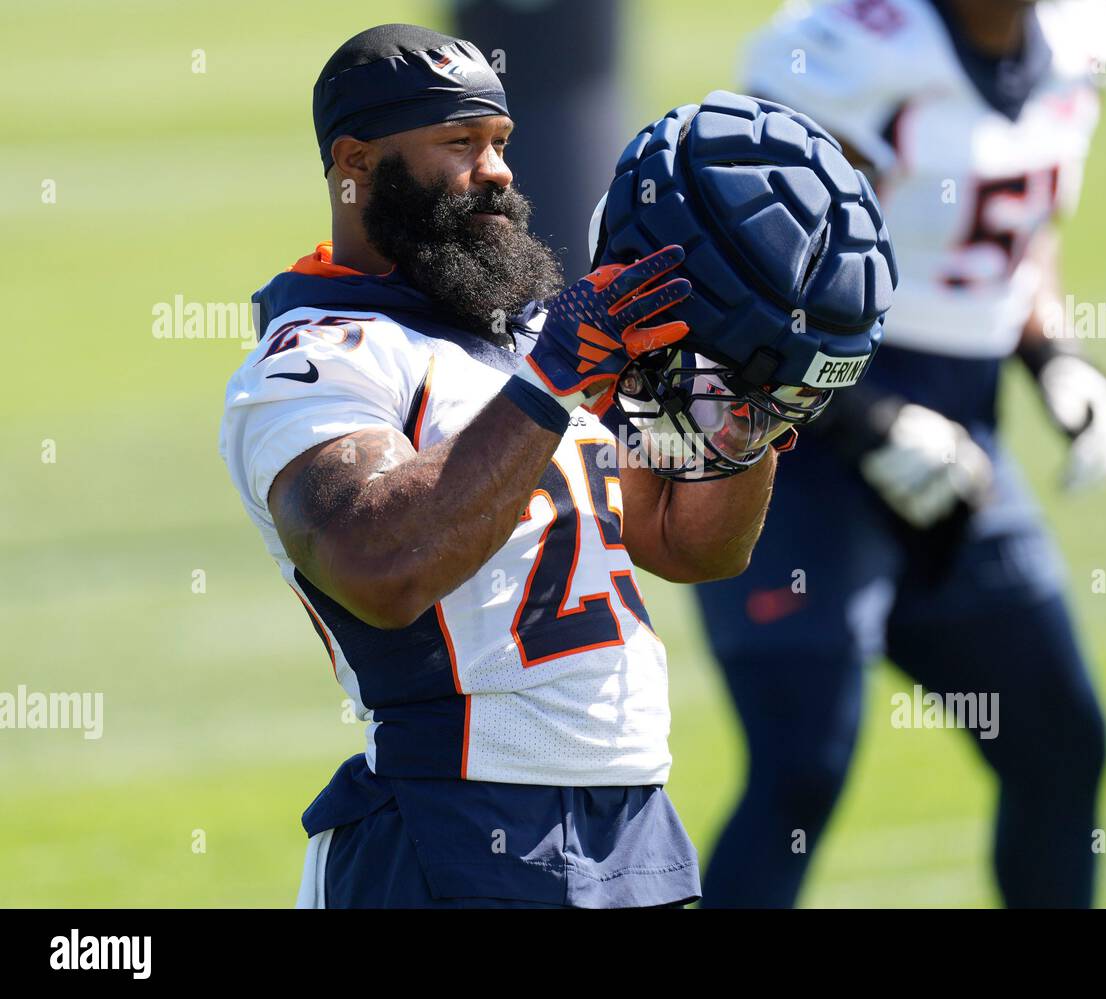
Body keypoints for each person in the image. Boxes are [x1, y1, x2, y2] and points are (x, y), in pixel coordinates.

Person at [218, 24, 778, 908]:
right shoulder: (315, 359)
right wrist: (552, 378)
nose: (498, 171)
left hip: (633, 824)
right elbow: (379, 565)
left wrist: (745, 416)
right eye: (460, 143)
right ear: (356, 163)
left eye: (502, 143)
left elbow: (685, 540)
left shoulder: (527, 337)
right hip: (448, 827)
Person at [695, 0, 1106, 907]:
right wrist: (871, 421)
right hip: (800, 444)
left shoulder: (1080, 37)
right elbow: (740, 264)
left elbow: (1018, 221)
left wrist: (1055, 355)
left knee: (1059, 739)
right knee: (800, 765)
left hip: (960, 440)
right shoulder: (849, 46)